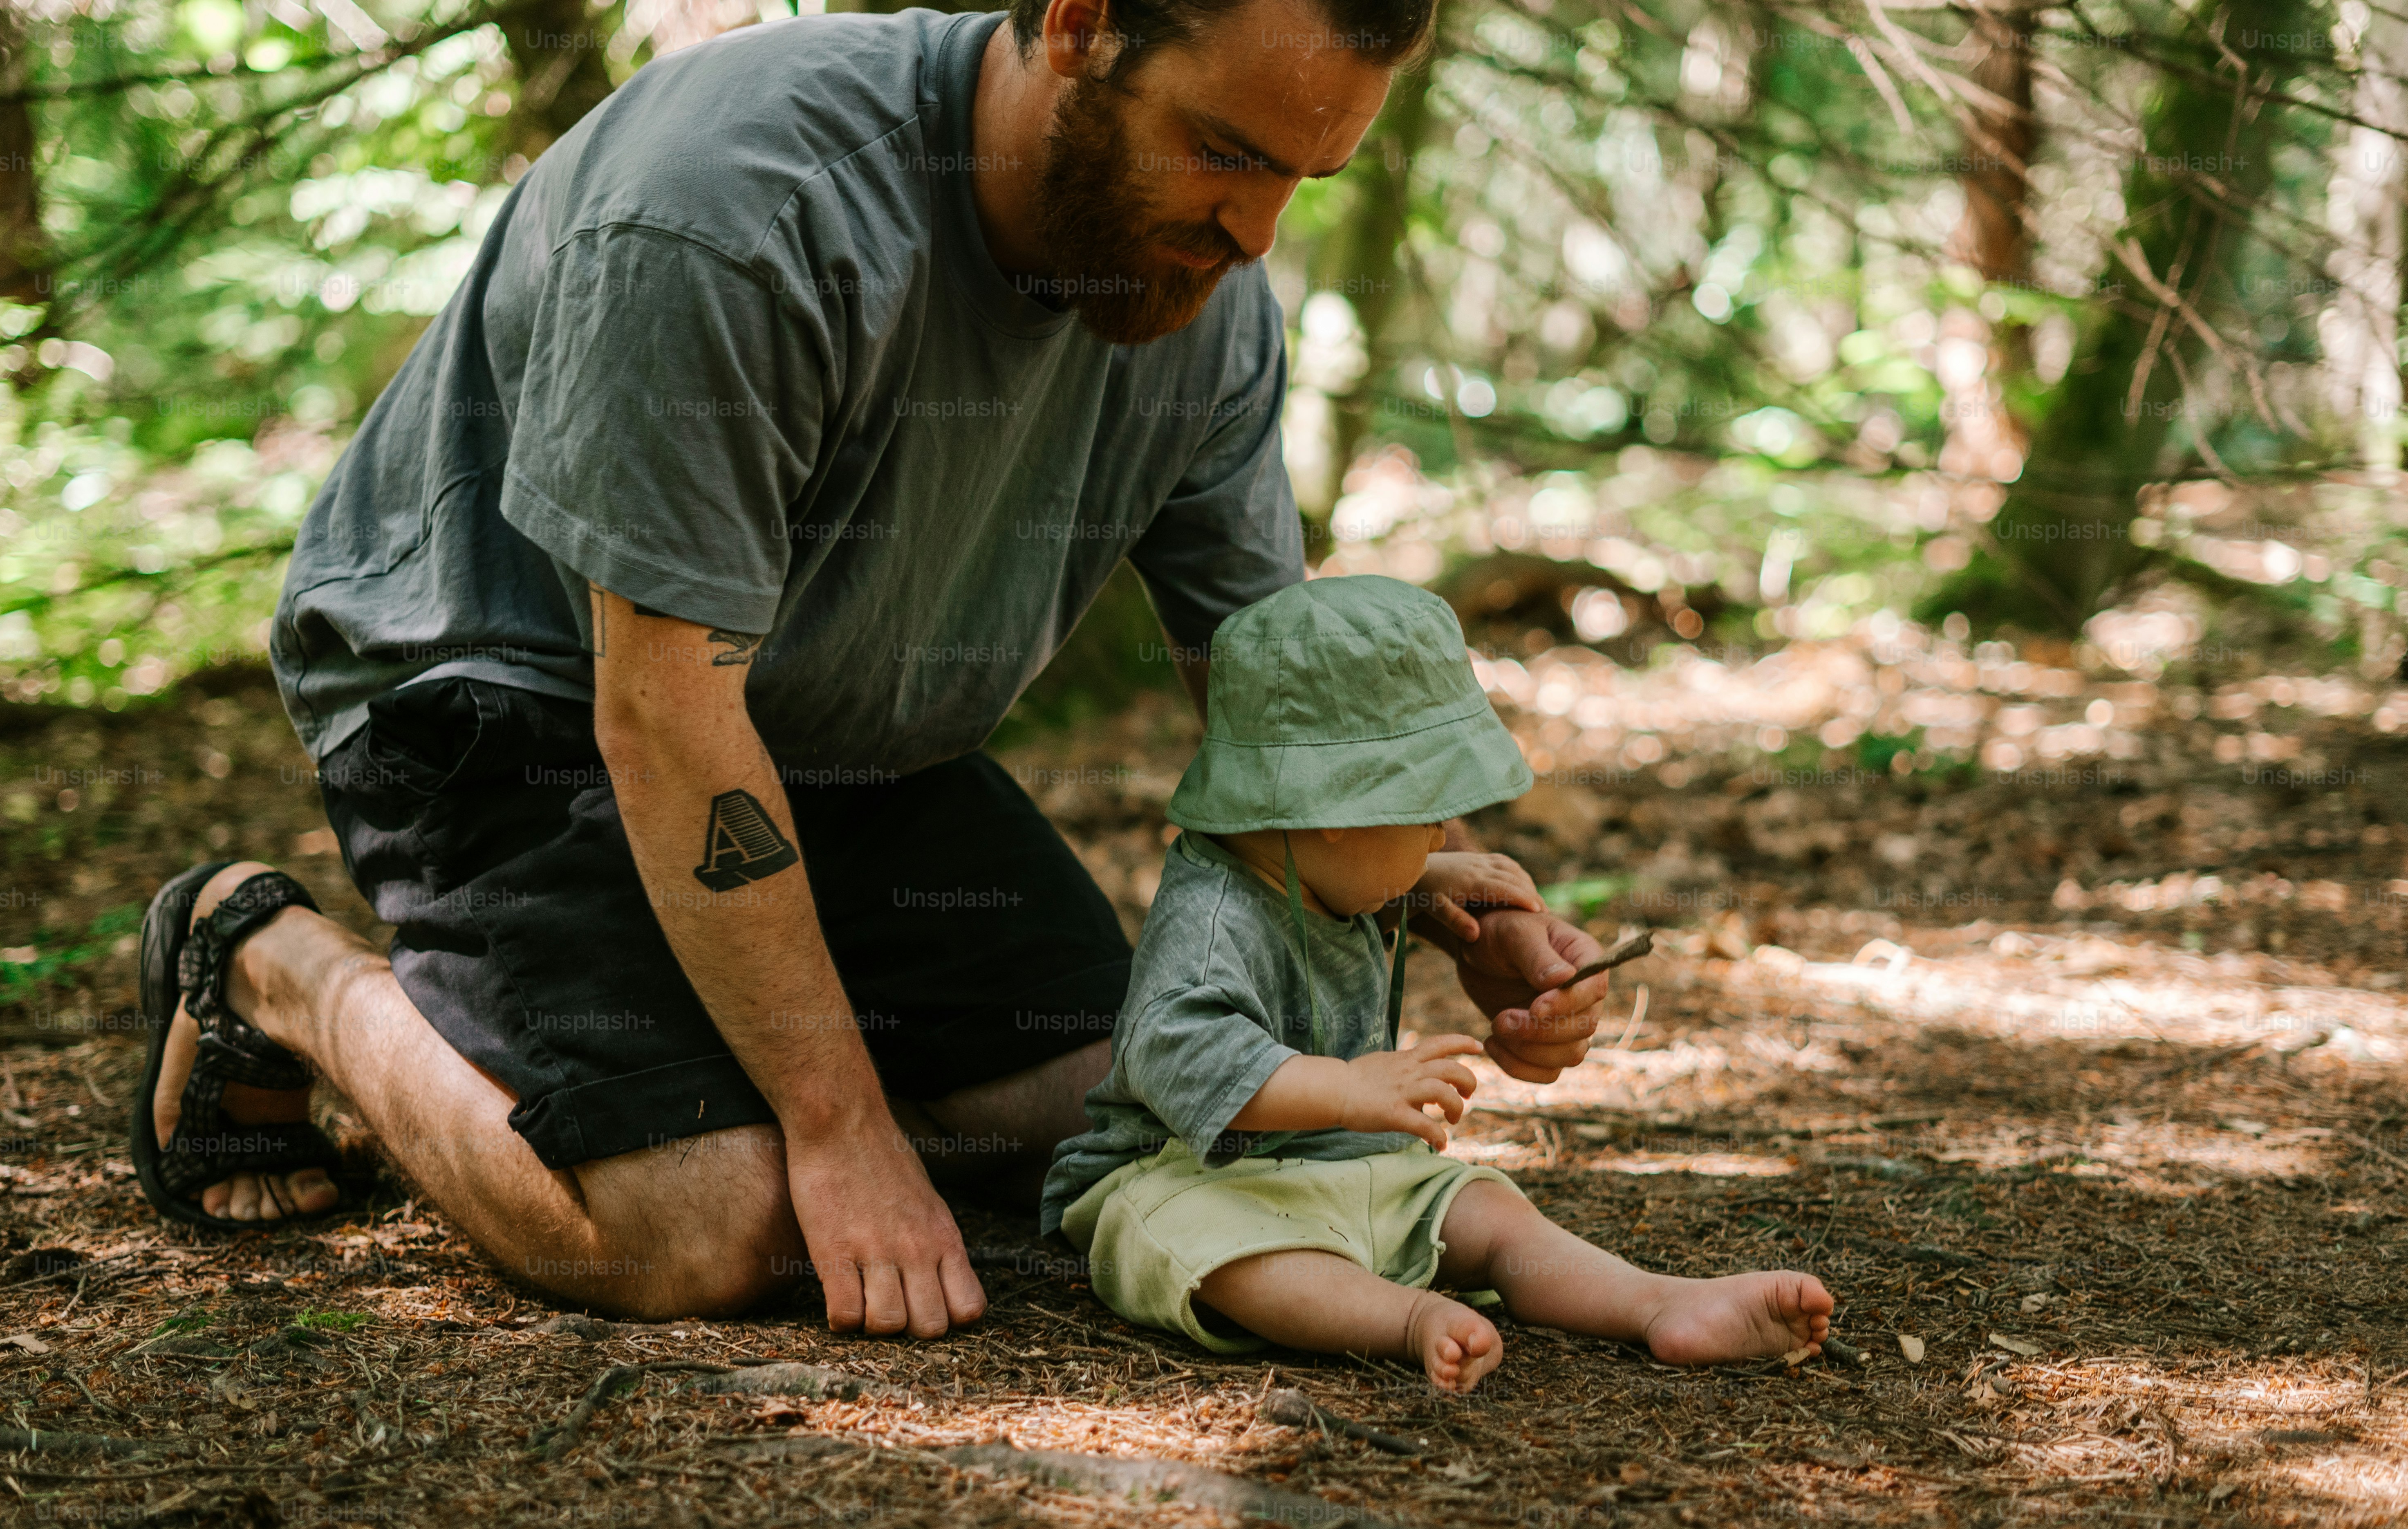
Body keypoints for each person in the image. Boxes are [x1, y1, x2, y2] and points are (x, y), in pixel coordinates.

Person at [125, 0, 1625, 1333]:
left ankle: (729, 1051)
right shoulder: (735, 209)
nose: (1257, 235)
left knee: (1152, 1094)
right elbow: (660, 710)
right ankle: (271, 965)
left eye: (1306, 178)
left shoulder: (1210, 304)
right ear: (1078, 24)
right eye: (1226, 152)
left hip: (844, 745)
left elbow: (1267, 675)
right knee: (716, 1227)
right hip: (507, 703)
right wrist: (836, 1129)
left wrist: (1436, 882)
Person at [1042, 577, 1833, 1388]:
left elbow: (1351, 877)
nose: (1436, 834)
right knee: (1226, 1253)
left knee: (1490, 1213)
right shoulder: (1210, 920)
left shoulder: (1317, 865)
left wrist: (1425, 880)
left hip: (1343, 1167)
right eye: (1424, 817)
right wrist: (1348, 1090)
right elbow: (1177, 1053)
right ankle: (1406, 1318)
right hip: (1187, 1174)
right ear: (1333, 811)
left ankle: (1660, 1303)